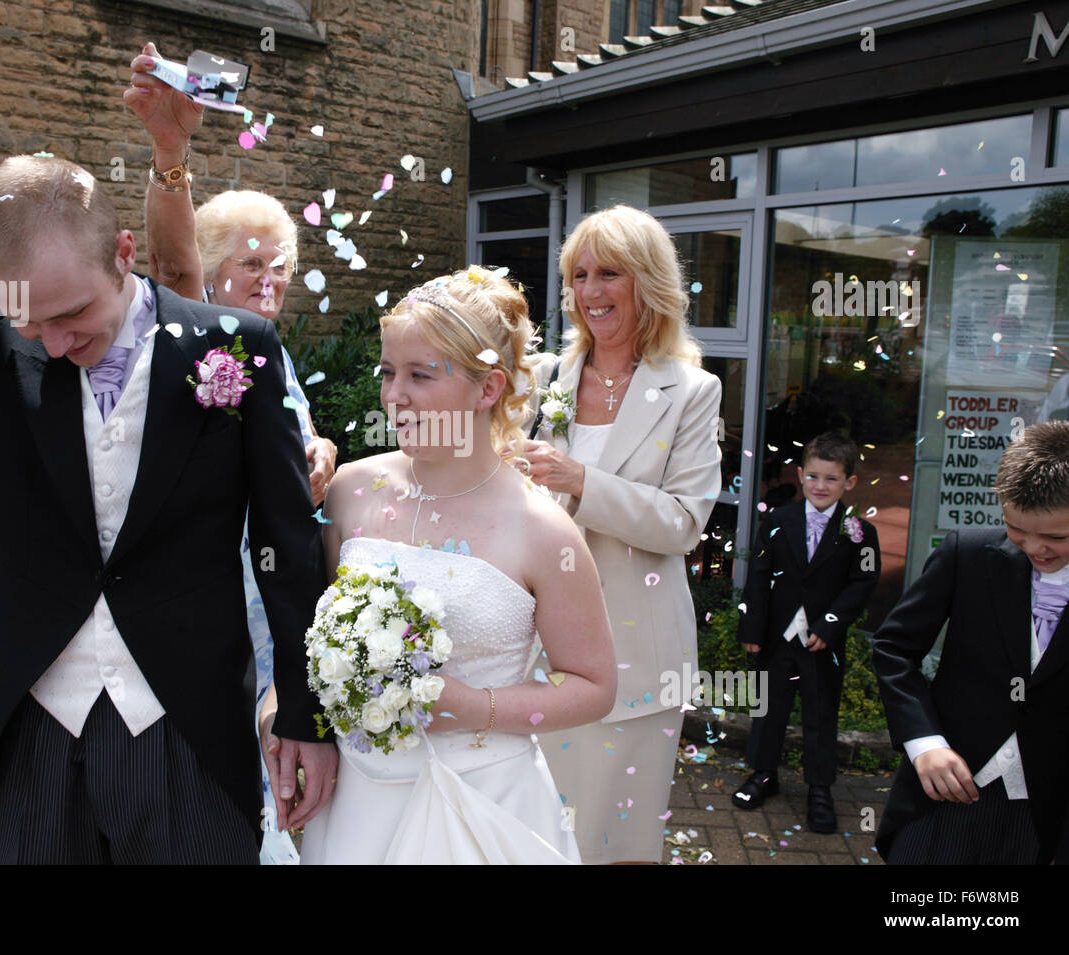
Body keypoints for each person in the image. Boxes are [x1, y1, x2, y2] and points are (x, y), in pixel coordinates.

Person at [0, 154, 337, 863]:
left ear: (123, 253)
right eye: (31, 322)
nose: (56, 342)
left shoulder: (235, 347)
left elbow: (288, 543)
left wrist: (306, 715)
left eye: (72, 313)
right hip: (35, 727)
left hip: (189, 726)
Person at [271, 266, 616, 864]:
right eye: (387, 373)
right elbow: (312, 634)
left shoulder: (541, 530)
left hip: (482, 802)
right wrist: (286, 714)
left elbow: (594, 687)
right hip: (356, 802)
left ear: (488, 389)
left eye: (420, 376)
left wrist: (473, 707)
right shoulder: (352, 491)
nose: (392, 396)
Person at [126, 50, 337, 861]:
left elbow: (281, 450)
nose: (271, 277)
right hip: (210, 586)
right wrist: (170, 158)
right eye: (252, 263)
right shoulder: (194, 333)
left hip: (275, 583)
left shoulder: (273, 353)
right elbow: (171, 267)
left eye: (280, 264)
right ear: (214, 275)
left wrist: (316, 449)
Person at [520, 204, 722, 864]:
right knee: (545, 833)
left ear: (648, 282)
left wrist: (582, 480)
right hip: (544, 651)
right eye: (578, 274)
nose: (591, 292)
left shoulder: (692, 390)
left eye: (610, 273)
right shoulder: (547, 378)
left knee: (620, 841)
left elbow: (684, 522)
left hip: (639, 661)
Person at [873, 421, 1069, 864]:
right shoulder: (967, 555)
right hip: (944, 796)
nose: (1035, 548)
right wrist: (925, 744)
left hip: (1046, 812)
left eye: (1056, 537)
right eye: (1016, 528)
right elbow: (894, 649)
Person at [732, 431, 881, 832]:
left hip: (821, 642)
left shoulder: (860, 532)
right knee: (769, 707)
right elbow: (760, 574)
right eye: (813, 476)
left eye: (831, 479)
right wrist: (752, 626)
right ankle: (763, 774)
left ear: (849, 482)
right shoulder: (778, 520)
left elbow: (862, 583)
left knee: (820, 713)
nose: (820, 486)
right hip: (778, 637)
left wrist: (830, 625)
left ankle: (819, 788)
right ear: (799, 474)